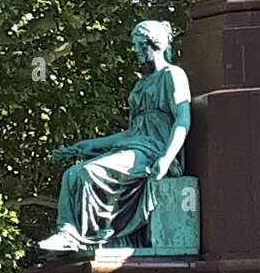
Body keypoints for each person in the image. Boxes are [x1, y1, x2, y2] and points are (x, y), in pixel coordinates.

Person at [38, 20, 191, 254]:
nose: (136, 51)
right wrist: (88, 145)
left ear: (155, 45)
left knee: (91, 173)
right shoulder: (141, 85)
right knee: (73, 174)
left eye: (140, 45)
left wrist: (167, 158)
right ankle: (67, 232)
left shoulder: (173, 75)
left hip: (153, 151)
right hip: (135, 147)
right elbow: (132, 132)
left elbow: (182, 119)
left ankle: (90, 237)